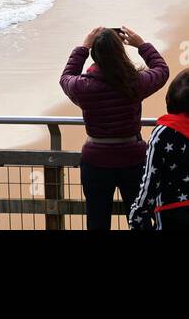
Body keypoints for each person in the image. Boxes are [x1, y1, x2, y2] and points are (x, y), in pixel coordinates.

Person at [60, 25, 168, 230]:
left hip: (96, 161)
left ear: (94, 55)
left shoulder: (85, 86)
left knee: (97, 221)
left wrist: (83, 47)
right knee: (139, 218)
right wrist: (142, 45)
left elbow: (65, 78)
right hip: (133, 159)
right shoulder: (134, 82)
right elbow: (162, 71)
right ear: (121, 52)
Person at [128, 68, 189, 230]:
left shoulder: (161, 134)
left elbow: (149, 180)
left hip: (171, 212)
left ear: (169, 100)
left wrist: (137, 214)